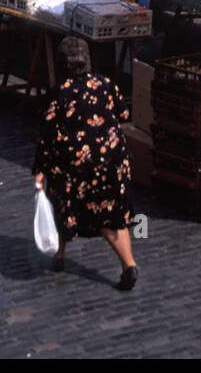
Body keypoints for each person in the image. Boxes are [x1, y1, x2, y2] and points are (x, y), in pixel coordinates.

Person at [33, 36, 138, 290]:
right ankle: (129, 264)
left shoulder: (58, 94)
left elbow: (47, 135)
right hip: (112, 160)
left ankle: (58, 256)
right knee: (112, 215)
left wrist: (40, 170)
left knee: (63, 205)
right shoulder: (106, 83)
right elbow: (124, 113)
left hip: (77, 164)